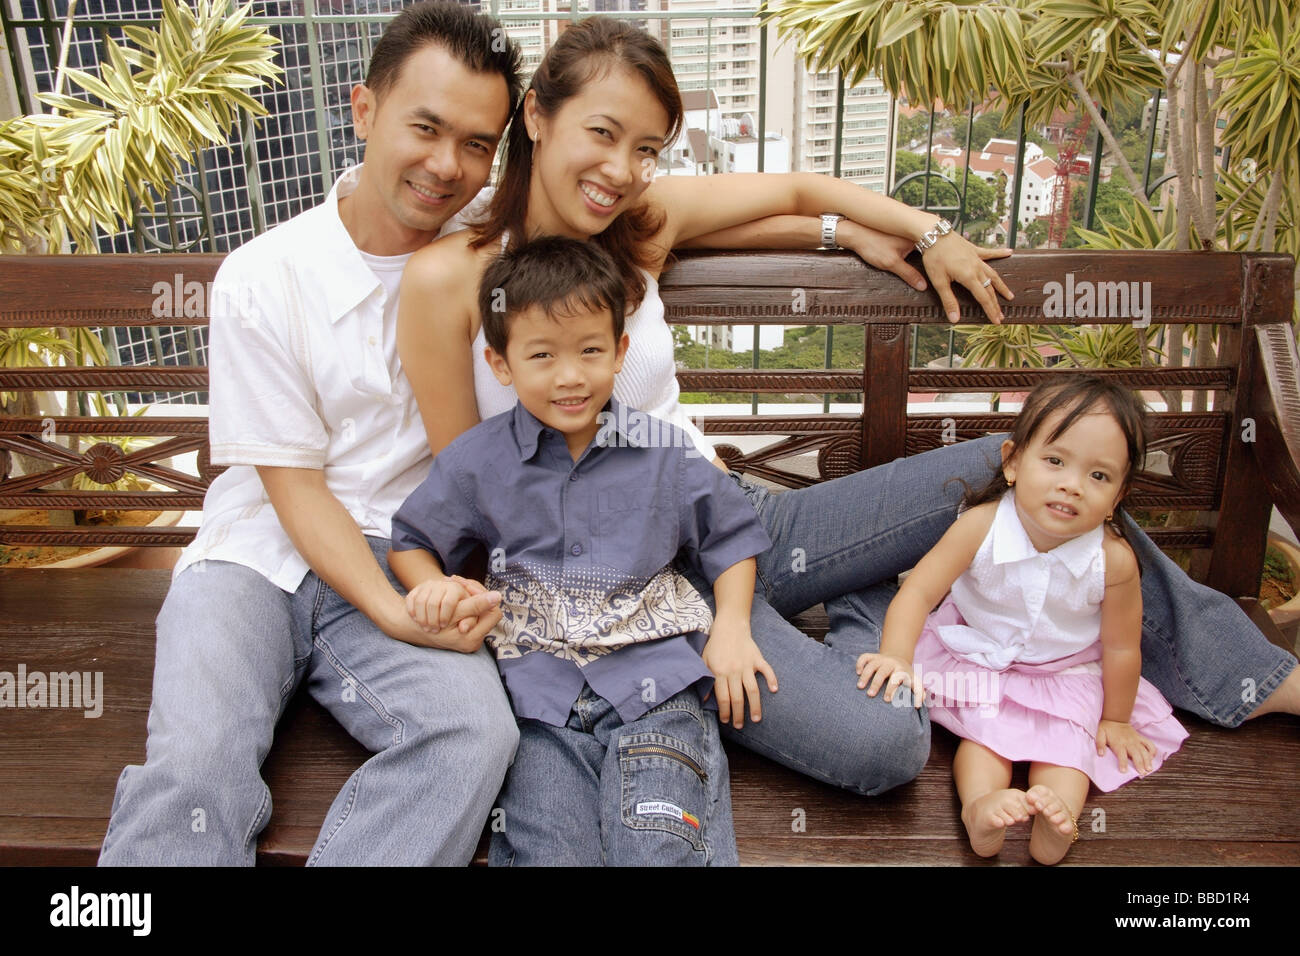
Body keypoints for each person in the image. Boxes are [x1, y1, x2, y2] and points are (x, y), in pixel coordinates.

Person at [398, 16, 1300, 802]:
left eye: (648, 150)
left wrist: (910, 234)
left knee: (1025, 457)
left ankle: (1259, 677)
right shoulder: (452, 280)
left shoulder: (642, 224)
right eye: (603, 133)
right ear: (537, 117)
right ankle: (879, 600)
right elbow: (475, 493)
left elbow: (796, 192)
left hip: (748, 523)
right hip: (643, 592)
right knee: (888, 747)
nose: (623, 171)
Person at [99, 2, 525, 866]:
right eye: (425, 127)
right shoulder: (264, 275)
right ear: (364, 110)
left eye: (478, 144)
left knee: (474, 737)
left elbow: (639, 196)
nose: (448, 166)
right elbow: (293, 490)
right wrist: (396, 615)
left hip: (403, 553)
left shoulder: (495, 263)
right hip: (255, 552)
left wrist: (839, 220)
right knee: (194, 771)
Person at [388, 238, 773, 865]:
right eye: (542, 355)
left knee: (658, 851)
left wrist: (731, 625)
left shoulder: (663, 452)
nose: (570, 375)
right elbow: (413, 543)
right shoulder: (477, 463)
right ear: (501, 363)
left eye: (590, 350)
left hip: (657, 693)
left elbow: (730, 538)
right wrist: (432, 585)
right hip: (537, 705)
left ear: (620, 352)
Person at [857, 377, 1188, 864]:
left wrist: (1115, 718)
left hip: (1064, 674)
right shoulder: (981, 526)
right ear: (1013, 462)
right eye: (1054, 461)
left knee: (1069, 749)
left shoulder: (1113, 560)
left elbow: (1121, 646)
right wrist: (896, 656)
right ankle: (980, 809)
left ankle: (1059, 823)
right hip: (978, 657)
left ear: (1118, 496)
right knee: (984, 739)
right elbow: (919, 592)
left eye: (1099, 476)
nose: (1071, 484)